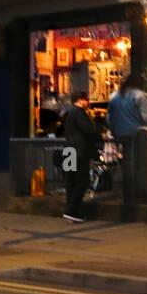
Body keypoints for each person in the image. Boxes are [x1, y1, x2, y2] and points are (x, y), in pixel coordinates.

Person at [108, 74, 147, 202]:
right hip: (137, 134)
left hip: (120, 134)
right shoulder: (140, 96)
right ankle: (139, 193)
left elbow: (109, 118)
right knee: (139, 164)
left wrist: (113, 131)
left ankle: (127, 192)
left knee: (126, 162)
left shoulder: (114, 96)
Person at [61, 94, 100, 223]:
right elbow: (89, 132)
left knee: (70, 181)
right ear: (81, 100)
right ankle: (71, 211)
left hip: (68, 150)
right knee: (81, 181)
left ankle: (73, 212)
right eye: (86, 100)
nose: (88, 102)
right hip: (79, 151)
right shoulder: (80, 114)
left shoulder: (68, 114)